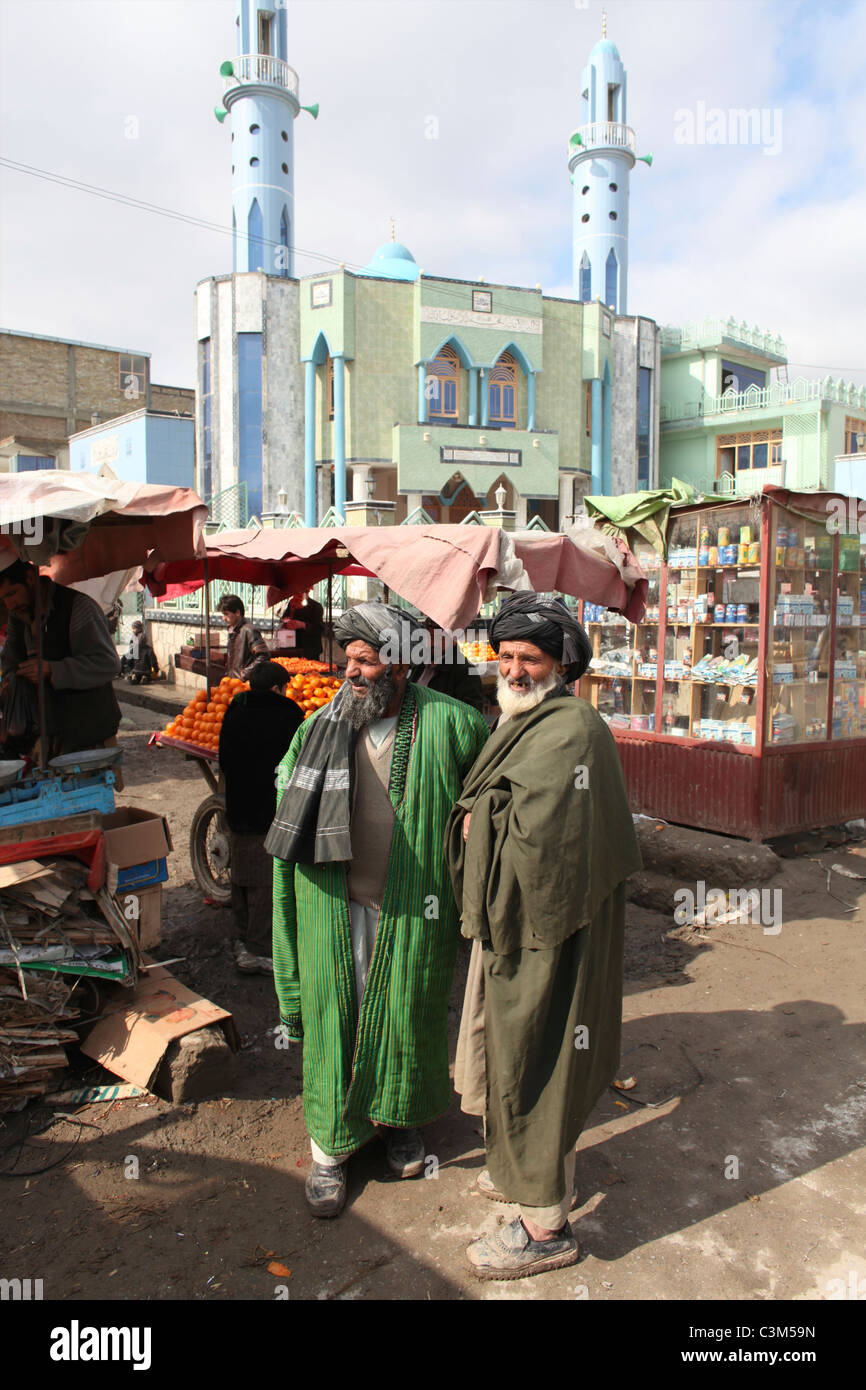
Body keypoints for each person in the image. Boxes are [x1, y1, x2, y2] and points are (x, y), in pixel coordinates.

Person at [266, 601, 489, 1218]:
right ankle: (330, 1149)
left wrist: (472, 820)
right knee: (335, 1014)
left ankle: (400, 1123)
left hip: (414, 908)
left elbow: (487, 796)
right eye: (348, 662)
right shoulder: (318, 728)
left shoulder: (455, 723)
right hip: (330, 904)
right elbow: (285, 789)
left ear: (403, 664)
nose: (351, 673)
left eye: (365, 661)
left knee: (408, 1009)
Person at [445, 592, 641, 1280]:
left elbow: (551, 841)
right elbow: (496, 792)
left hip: (554, 928)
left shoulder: (575, 730)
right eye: (507, 656)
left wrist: (482, 819)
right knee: (508, 1048)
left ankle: (546, 1227)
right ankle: (523, 1178)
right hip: (513, 923)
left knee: (543, 1052)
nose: (517, 669)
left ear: (561, 665)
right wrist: (479, 810)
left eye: (531, 657)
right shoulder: (521, 717)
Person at [218, 662, 303, 976]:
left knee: (241, 872)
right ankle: (257, 948)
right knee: (265, 881)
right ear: (279, 688)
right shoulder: (289, 714)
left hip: (239, 804)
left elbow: (224, 758)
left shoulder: (235, 707)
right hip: (269, 807)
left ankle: (242, 937)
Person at [0, 556, 121, 759]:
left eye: (12, 593)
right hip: (45, 734)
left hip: (87, 734)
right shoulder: (17, 617)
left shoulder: (77, 607)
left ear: (30, 578)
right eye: (3, 599)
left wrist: (52, 670)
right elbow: (11, 665)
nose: (9, 604)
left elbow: (108, 663)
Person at [409, 619, 485, 711]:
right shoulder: (417, 664)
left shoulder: (465, 672)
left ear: (453, 641)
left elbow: (472, 715)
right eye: (431, 637)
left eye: (441, 638)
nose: (434, 643)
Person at [218, 595, 269, 679]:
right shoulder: (232, 630)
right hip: (232, 682)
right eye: (223, 614)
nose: (223, 618)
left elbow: (264, 656)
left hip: (245, 684)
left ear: (237, 612)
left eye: (226, 614)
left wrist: (245, 674)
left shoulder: (249, 630)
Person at [283, 591, 325, 662]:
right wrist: (289, 617)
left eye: (301, 593)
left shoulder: (316, 606)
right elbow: (284, 619)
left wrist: (302, 625)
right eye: (296, 593)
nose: (298, 595)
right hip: (294, 648)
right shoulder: (291, 603)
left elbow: (319, 628)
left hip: (310, 649)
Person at [121, 620, 160, 684]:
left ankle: (134, 677)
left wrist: (131, 669)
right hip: (146, 670)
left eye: (134, 628)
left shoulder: (135, 649)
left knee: (135, 673)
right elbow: (153, 662)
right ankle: (145, 677)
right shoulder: (149, 650)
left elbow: (128, 660)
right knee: (147, 675)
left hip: (136, 670)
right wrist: (156, 670)